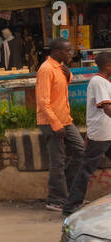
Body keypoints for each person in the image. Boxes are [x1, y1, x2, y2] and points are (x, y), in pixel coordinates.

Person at [38, 37, 83, 212]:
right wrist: (56, 124)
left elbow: (65, 82)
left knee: (81, 151)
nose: (70, 53)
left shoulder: (60, 68)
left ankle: (67, 192)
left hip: (65, 120)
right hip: (51, 122)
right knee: (57, 161)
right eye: (67, 51)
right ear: (57, 52)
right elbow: (43, 101)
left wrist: (68, 74)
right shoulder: (46, 69)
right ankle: (56, 199)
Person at [63, 51, 111, 216]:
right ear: (108, 66)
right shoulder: (99, 82)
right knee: (85, 170)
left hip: (106, 133)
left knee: (85, 169)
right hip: (101, 135)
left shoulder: (103, 82)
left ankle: (72, 203)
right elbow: (107, 108)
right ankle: (71, 205)